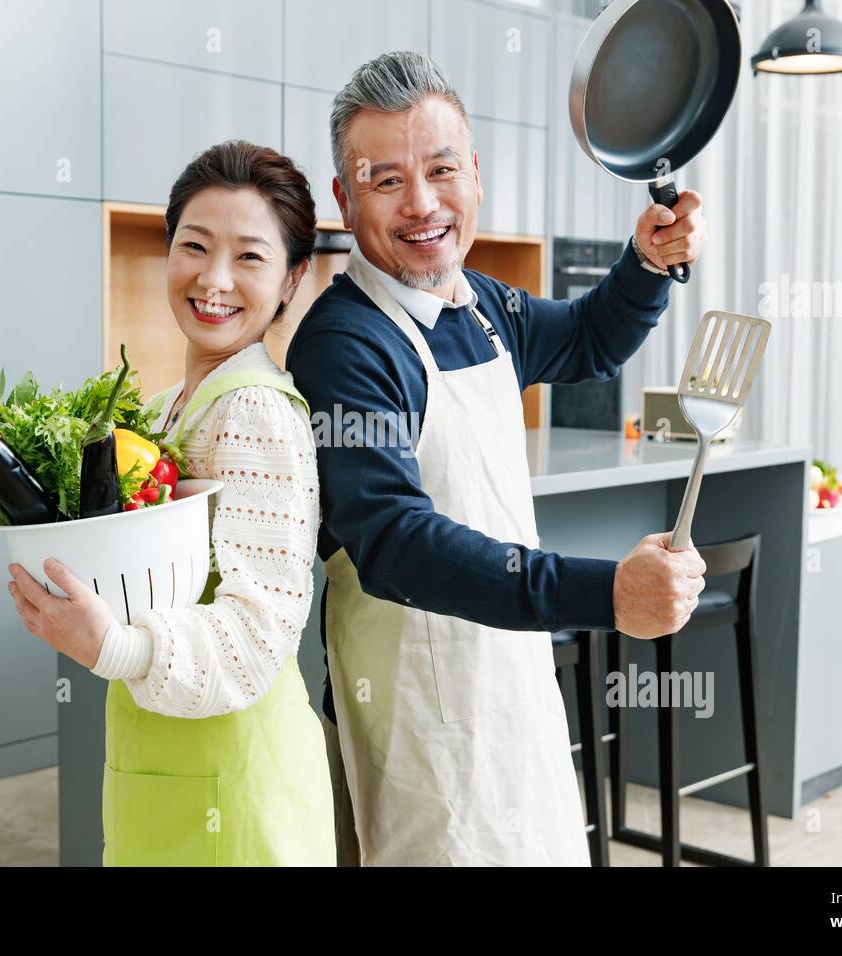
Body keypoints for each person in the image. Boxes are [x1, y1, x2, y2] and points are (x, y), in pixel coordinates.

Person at [284, 52, 709, 866]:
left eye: (442, 169)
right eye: (386, 180)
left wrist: (647, 263)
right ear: (344, 197)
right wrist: (605, 591)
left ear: (474, 174)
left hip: (513, 678)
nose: (422, 204)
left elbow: (587, 338)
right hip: (412, 712)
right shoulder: (346, 344)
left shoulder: (482, 305)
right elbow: (395, 542)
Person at [6, 140, 334, 866]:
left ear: (292, 279)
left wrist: (115, 647)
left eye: (249, 256)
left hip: (239, 785)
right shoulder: (164, 410)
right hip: (171, 763)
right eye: (194, 245)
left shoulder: (256, 412)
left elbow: (257, 636)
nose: (214, 279)